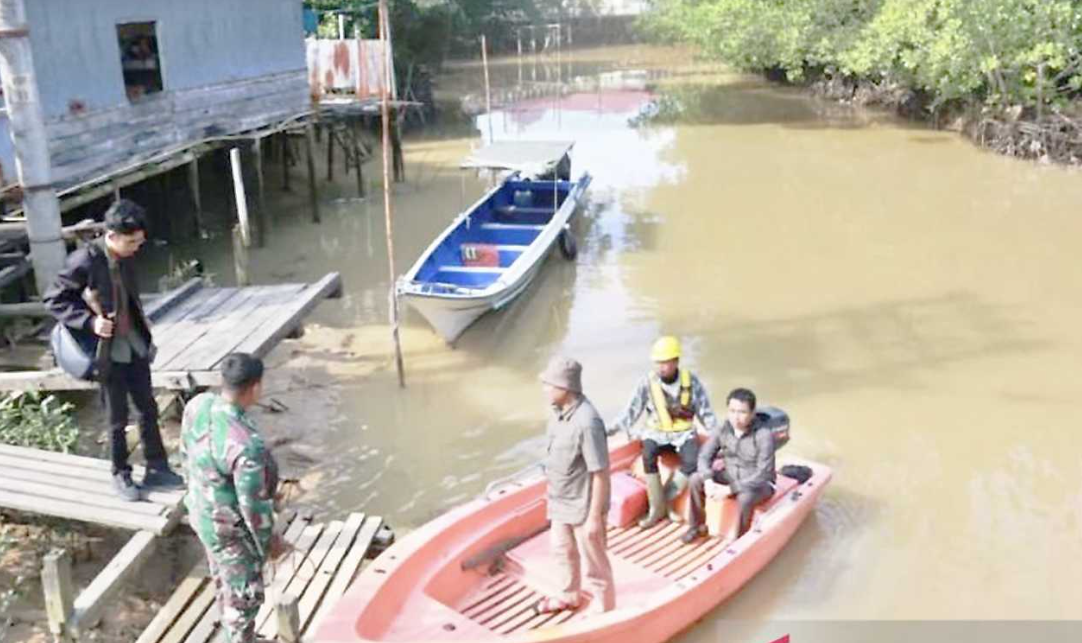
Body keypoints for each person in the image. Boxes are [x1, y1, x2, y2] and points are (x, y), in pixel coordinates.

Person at [44, 199, 182, 500]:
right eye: (131, 242)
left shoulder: (127, 255)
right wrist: (89, 322)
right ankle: (121, 473)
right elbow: (54, 298)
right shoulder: (85, 260)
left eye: (139, 242)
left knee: (147, 407)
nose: (136, 247)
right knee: (116, 416)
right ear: (112, 235)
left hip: (133, 342)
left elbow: (127, 293)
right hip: (106, 350)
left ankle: (158, 467)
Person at [181, 353, 282, 643]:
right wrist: (268, 544)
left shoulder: (197, 406)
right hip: (229, 533)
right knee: (244, 600)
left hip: (202, 514)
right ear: (256, 388)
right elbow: (254, 510)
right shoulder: (245, 445)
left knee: (222, 579)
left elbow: (185, 456)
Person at [609, 336, 721, 528]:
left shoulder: (691, 381)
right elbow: (631, 411)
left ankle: (668, 499)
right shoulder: (647, 383)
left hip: (684, 433)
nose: (661, 367)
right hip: (656, 432)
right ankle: (656, 508)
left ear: (675, 362)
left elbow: (706, 412)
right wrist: (612, 429)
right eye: (658, 363)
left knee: (692, 461)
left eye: (665, 363)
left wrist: (719, 435)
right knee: (648, 454)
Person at [537, 356, 615, 615]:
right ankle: (569, 595)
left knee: (595, 562)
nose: (545, 389)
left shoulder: (587, 422)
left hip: (583, 506)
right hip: (560, 501)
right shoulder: (558, 415)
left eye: (549, 384)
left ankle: (604, 608)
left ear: (565, 387)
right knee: (562, 551)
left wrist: (594, 517)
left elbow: (601, 472)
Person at [682, 388, 776, 545]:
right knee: (695, 479)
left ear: (752, 413)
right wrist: (708, 480)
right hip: (730, 475)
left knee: (746, 498)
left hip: (758, 484)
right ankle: (696, 527)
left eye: (742, 412)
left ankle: (740, 542)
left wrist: (729, 490)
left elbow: (763, 474)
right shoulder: (723, 429)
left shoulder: (764, 435)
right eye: (732, 411)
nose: (736, 417)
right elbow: (705, 456)